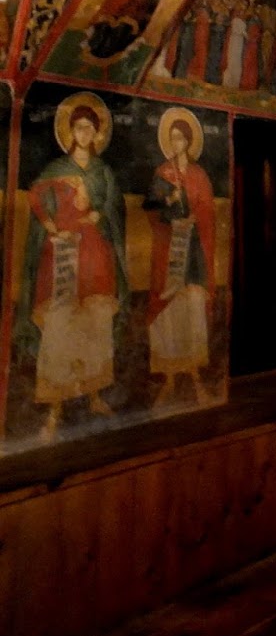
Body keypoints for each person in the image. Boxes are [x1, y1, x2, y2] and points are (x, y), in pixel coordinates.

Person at [17, 95, 128, 442]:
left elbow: (114, 207)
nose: (83, 132)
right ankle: (54, 409)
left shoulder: (103, 172)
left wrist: (100, 213)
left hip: (94, 254)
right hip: (64, 254)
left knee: (94, 325)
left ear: (97, 133)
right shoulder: (56, 169)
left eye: (89, 127)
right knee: (60, 328)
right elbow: (36, 198)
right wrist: (50, 227)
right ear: (70, 131)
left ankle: (94, 395)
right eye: (78, 127)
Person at [144, 108, 215, 407]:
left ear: (188, 142)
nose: (176, 143)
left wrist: (193, 219)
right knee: (170, 313)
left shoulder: (199, 175)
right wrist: (168, 210)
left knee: (192, 310)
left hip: (193, 250)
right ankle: (170, 379)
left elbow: (209, 213)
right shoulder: (162, 173)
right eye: (171, 138)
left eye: (180, 138)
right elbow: (150, 209)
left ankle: (196, 378)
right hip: (169, 249)